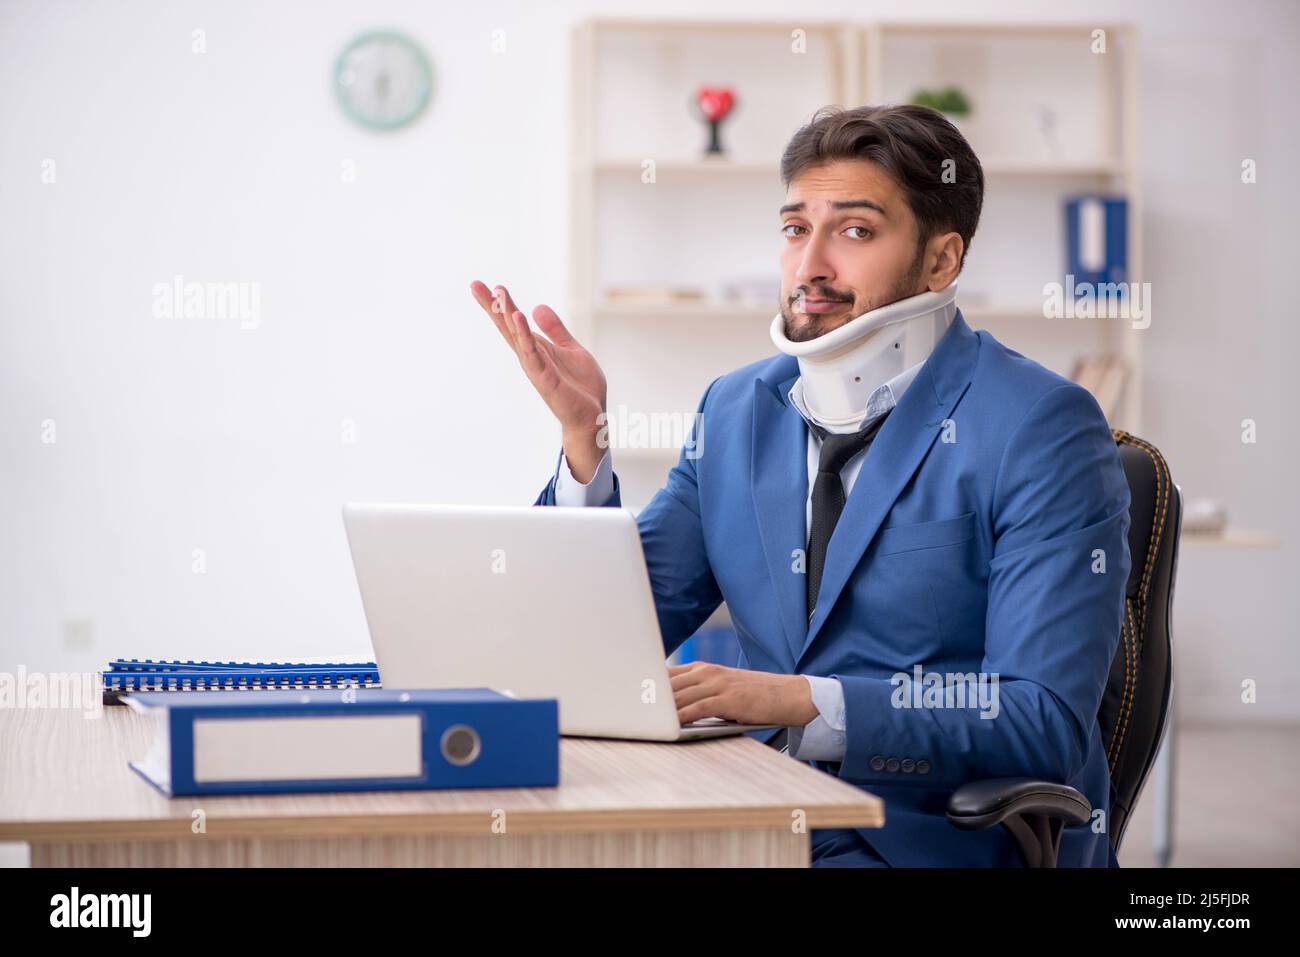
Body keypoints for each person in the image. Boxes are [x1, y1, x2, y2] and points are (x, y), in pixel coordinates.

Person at [469, 104, 1130, 867]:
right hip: (751, 810)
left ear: (942, 261)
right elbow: (614, 626)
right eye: (794, 229)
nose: (810, 265)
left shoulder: (1039, 424)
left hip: (933, 840)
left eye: (854, 231)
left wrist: (808, 702)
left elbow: (1039, 717)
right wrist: (587, 444)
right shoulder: (738, 406)